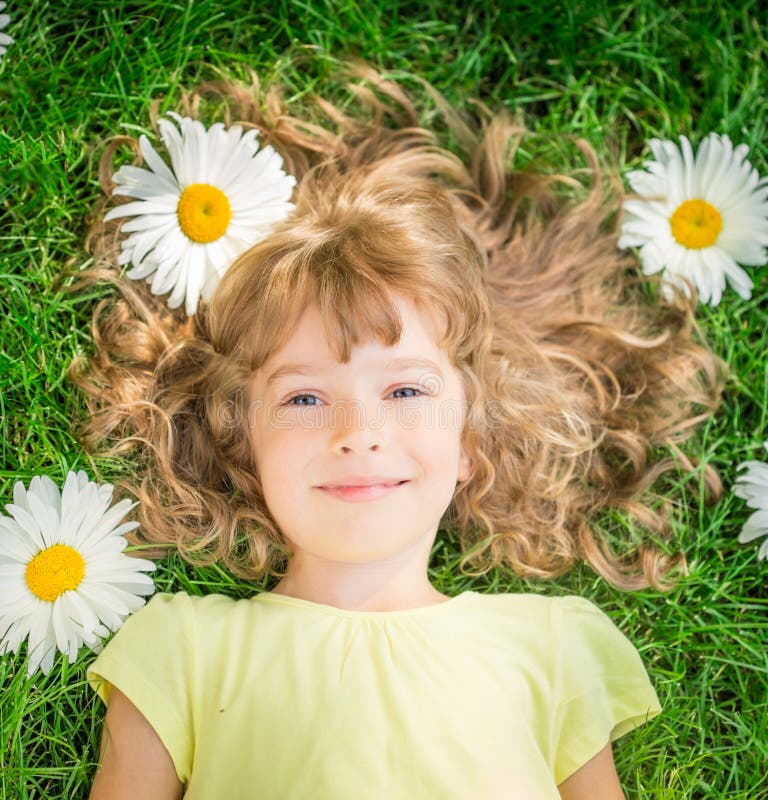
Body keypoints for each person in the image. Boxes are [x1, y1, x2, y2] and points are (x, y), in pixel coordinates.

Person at [67, 60, 726, 800]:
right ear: (242, 443)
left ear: (470, 439)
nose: (359, 432)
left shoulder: (554, 647)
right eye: (306, 399)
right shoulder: (181, 649)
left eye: (406, 389)